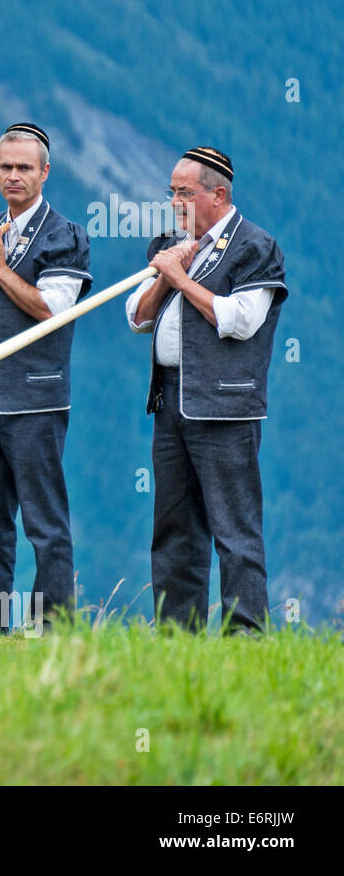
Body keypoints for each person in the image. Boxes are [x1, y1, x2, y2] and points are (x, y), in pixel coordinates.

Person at [124, 146, 287, 633]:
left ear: (217, 195)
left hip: (226, 404)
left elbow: (239, 322)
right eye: (171, 192)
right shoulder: (172, 243)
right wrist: (164, 276)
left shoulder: (255, 246)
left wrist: (180, 278)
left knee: (234, 528)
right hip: (170, 399)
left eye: (183, 193)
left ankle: (245, 635)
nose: (174, 202)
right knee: (173, 527)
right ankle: (177, 634)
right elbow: (136, 317)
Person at [0, 122, 92, 630]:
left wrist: (1, 266)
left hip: (37, 396)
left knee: (44, 522)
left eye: (24, 168)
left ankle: (51, 628)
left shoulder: (65, 235)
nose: (13, 176)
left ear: (45, 173)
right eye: (6, 167)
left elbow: (52, 309)